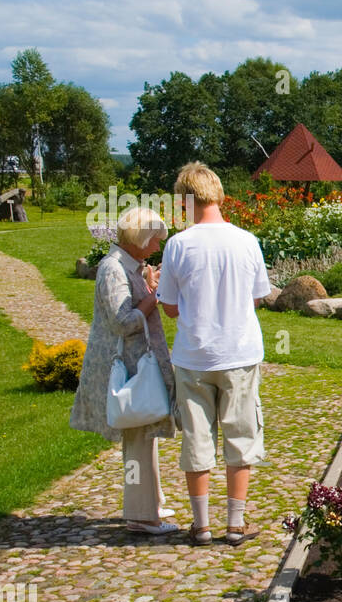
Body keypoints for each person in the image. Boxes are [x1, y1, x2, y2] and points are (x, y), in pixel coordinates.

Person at [157, 162, 272, 545]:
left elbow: (170, 308)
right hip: (239, 351)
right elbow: (258, 297)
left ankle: (201, 524)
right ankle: (235, 524)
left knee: (197, 438)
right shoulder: (247, 241)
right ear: (219, 195)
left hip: (193, 356)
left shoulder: (178, 245)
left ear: (184, 201)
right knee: (241, 434)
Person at [70, 207, 179, 536]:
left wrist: (148, 287)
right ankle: (142, 516)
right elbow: (123, 321)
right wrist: (155, 298)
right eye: (154, 240)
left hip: (136, 368)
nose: (158, 246)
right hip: (129, 372)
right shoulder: (113, 269)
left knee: (145, 437)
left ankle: (152, 502)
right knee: (138, 439)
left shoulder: (128, 266)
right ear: (139, 239)